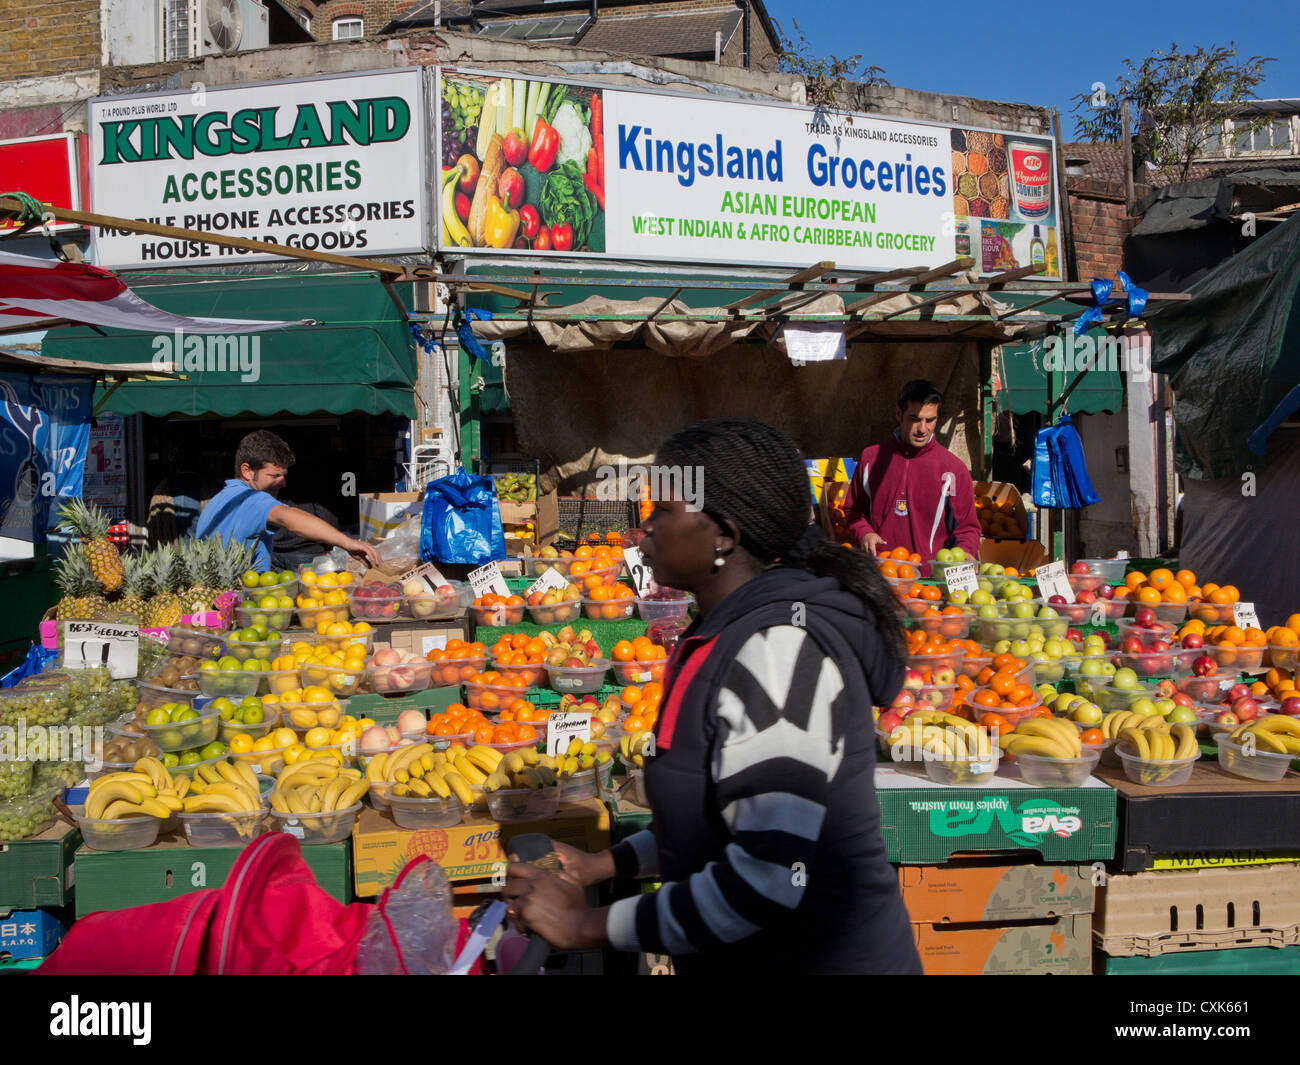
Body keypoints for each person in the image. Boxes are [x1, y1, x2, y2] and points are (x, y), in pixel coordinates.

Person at [504, 418, 921, 975]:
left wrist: (585, 926)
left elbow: (766, 880)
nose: (642, 531)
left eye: (661, 513)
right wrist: (602, 865)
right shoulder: (724, 632)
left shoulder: (777, 651)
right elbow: (717, 817)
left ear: (722, 533)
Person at [192, 430, 381, 571]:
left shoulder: (218, 501)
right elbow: (288, 517)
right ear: (247, 471)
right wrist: (348, 543)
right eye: (274, 475)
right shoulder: (251, 500)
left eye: (283, 475)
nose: (283, 483)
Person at [843, 379, 981, 564]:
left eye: (930, 420)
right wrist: (865, 533)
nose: (922, 429)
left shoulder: (953, 469)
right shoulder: (871, 459)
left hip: (930, 583)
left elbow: (967, 527)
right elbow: (854, 510)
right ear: (899, 414)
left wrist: (966, 552)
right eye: (915, 419)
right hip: (880, 574)